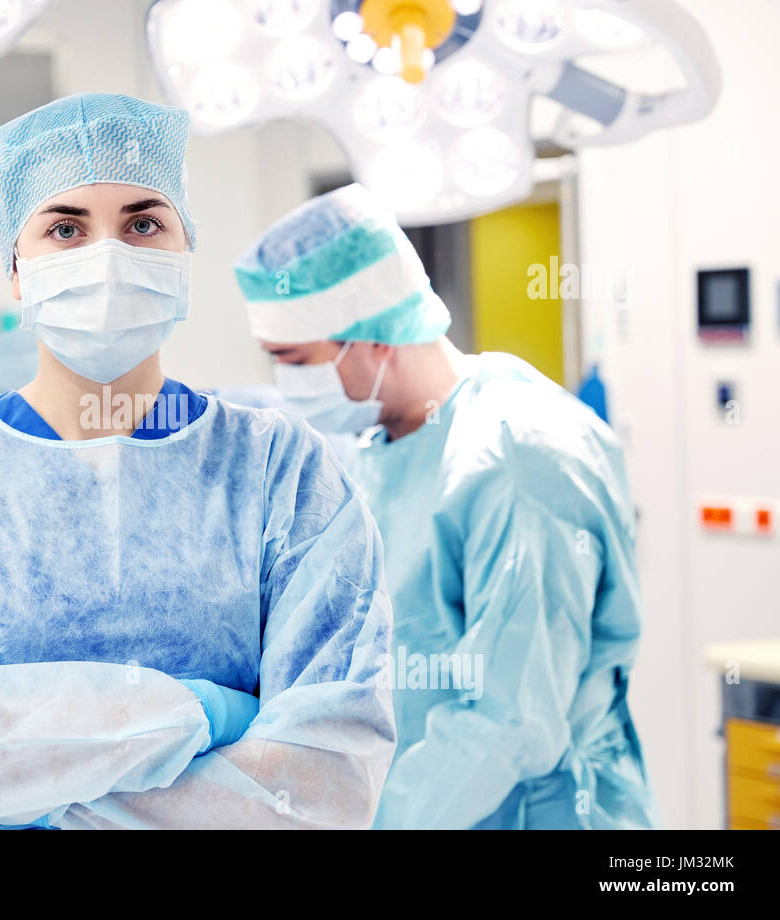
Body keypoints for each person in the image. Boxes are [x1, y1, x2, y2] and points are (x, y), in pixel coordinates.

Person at [0, 93, 396, 830]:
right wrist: (204, 716)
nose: (108, 255)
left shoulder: (284, 471)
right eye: (65, 228)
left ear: (183, 255)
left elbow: (325, 779)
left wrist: (14, 775)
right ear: (16, 271)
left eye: (144, 223)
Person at [234, 183, 656, 829]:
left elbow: (513, 717)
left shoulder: (517, 457)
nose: (289, 384)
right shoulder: (388, 443)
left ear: (372, 338)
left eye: (295, 361)